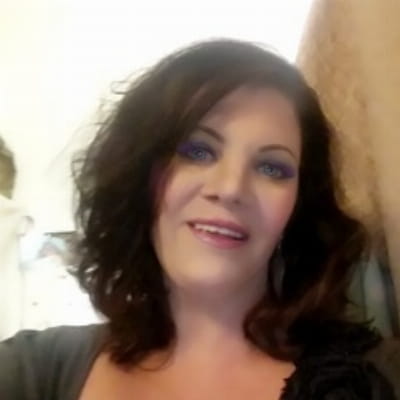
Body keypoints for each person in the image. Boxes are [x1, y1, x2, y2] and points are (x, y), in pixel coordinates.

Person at [0, 38, 399, 400]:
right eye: (198, 151)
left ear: (299, 206)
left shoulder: (382, 377)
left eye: (271, 168)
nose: (230, 188)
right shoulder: (33, 369)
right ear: (140, 175)